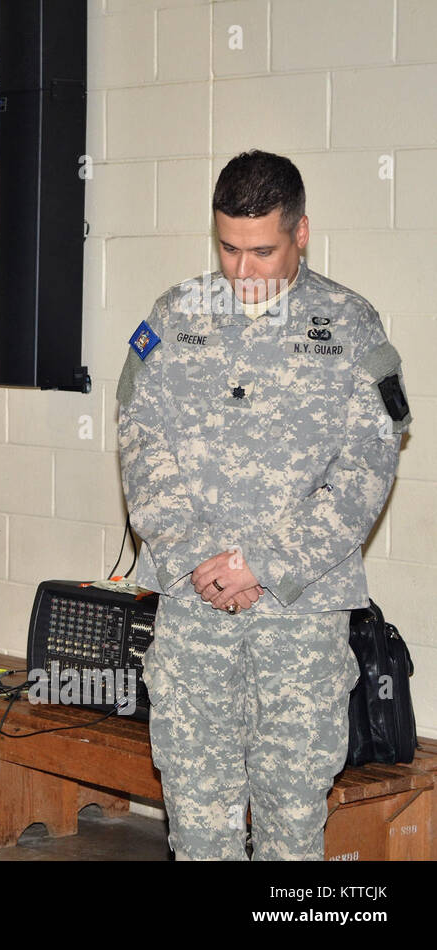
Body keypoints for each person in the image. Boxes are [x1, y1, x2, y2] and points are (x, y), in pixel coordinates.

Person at [117, 150, 411, 860]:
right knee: (197, 819)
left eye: (262, 251)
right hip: (194, 611)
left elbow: (368, 469)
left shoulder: (348, 326)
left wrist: (264, 563)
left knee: (291, 824)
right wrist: (193, 556)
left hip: (299, 617)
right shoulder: (176, 314)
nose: (242, 272)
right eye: (227, 248)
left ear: (300, 233)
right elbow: (137, 438)